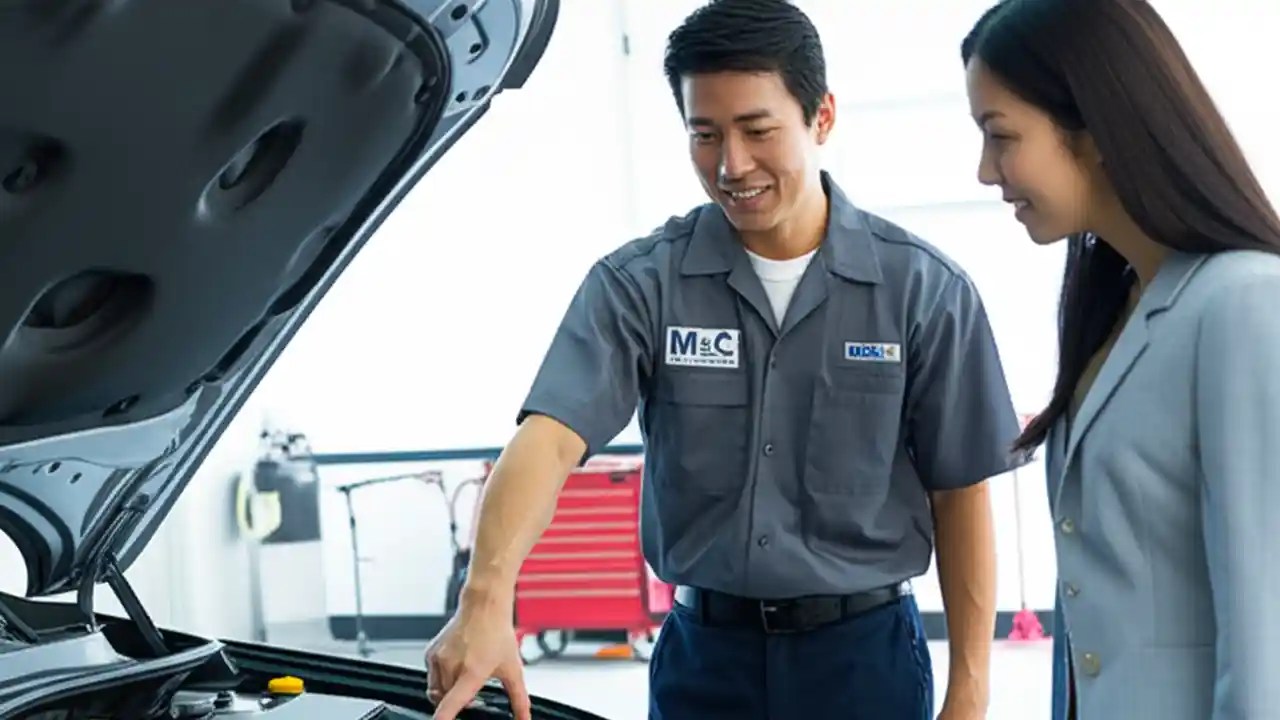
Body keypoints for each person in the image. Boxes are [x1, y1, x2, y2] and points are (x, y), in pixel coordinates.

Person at [424, 2, 1022, 718]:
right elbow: (548, 440)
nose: (731, 165)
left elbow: (960, 495)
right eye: (704, 135)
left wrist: (971, 690)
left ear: (821, 117)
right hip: (704, 662)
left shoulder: (923, 291)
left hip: (864, 662)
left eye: (757, 130)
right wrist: (485, 598)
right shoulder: (641, 284)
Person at [960, 1, 1280, 719]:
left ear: (1096, 128)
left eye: (1000, 135)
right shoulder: (1121, 304)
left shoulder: (1244, 305)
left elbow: (1268, 632)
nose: (986, 171)